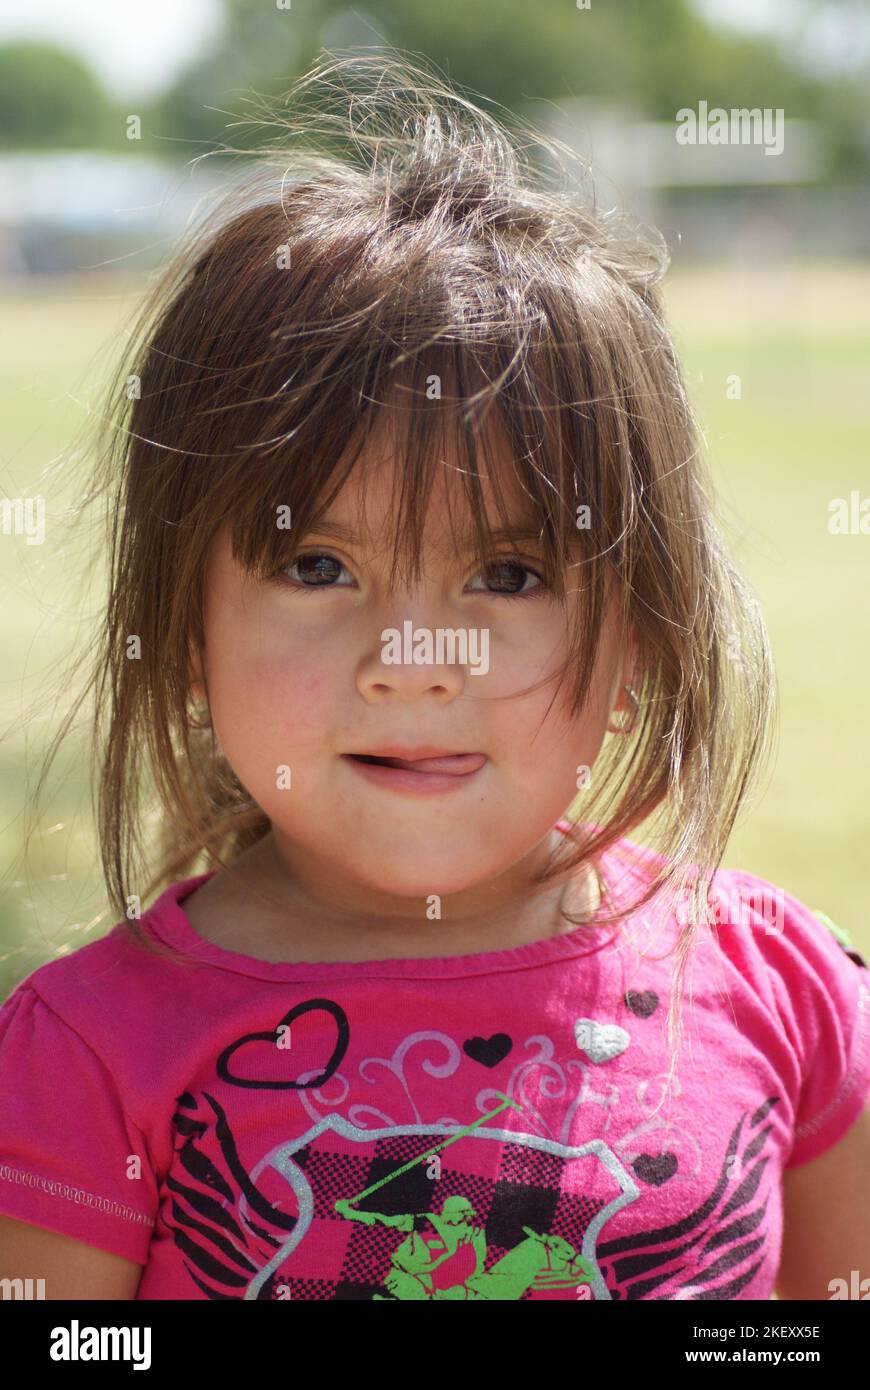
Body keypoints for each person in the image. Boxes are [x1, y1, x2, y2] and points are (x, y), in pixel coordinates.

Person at [0, 50, 868, 1303]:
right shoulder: (84, 1054)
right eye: (315, 563)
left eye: (508, 576)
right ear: (185, 628)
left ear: (639, 636)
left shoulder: (789, 992)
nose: (412, 663)